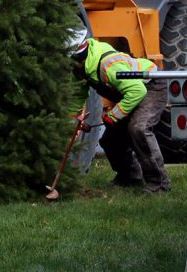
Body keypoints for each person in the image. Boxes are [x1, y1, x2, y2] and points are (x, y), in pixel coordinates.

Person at [69, 29, 171, 194]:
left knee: (138, 129)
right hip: (130, 93)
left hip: (151, 86)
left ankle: (159, 183)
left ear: (78, 58)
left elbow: (137, 91)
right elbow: (77, 96)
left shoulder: (108, 66)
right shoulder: (80, 69)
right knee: (110, 140)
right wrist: (74, 120)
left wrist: (113, 115)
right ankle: (129, 177)